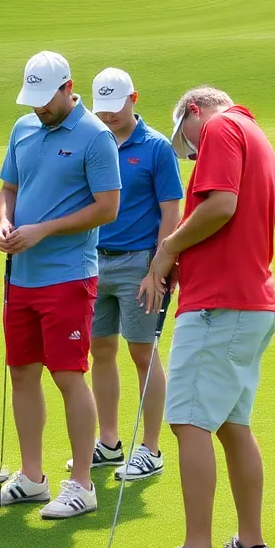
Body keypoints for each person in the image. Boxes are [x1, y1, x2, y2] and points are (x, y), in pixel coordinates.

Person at [133, 86, 275, 548]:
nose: (192, 153)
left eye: (186, 144)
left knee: (189, 421)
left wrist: (166, 251)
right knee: (230, 424)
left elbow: (220, 206)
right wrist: (183, 258)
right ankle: (249, 546)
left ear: (193, 112)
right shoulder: (254, 134)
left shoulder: (220, 127)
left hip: (220, 307)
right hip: (250, 303)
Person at [0, 51, 121, 518]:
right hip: (20, 276)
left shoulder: (95, 136)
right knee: (22, 372)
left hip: (68, 276)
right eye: (33, 99)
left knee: (67, 375)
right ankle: (32, 477)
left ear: (68, 87)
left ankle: (82, 484)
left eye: (45, 99)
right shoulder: (23, 130)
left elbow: (107, 208)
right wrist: (4, 222)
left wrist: (42, 230)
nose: (39, 108)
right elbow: (9, 189)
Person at [74, 68, 183, 481]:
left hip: (139, 262)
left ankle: (150, 449)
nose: (108, 117)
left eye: (115, 108)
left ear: (133, 98)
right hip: (92, 260)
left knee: (142, 353)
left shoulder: (155, 147)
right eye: (101, 109)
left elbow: (171, 211)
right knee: (100, 350)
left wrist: (158, 267)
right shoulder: (91, 141)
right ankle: (108, 442)